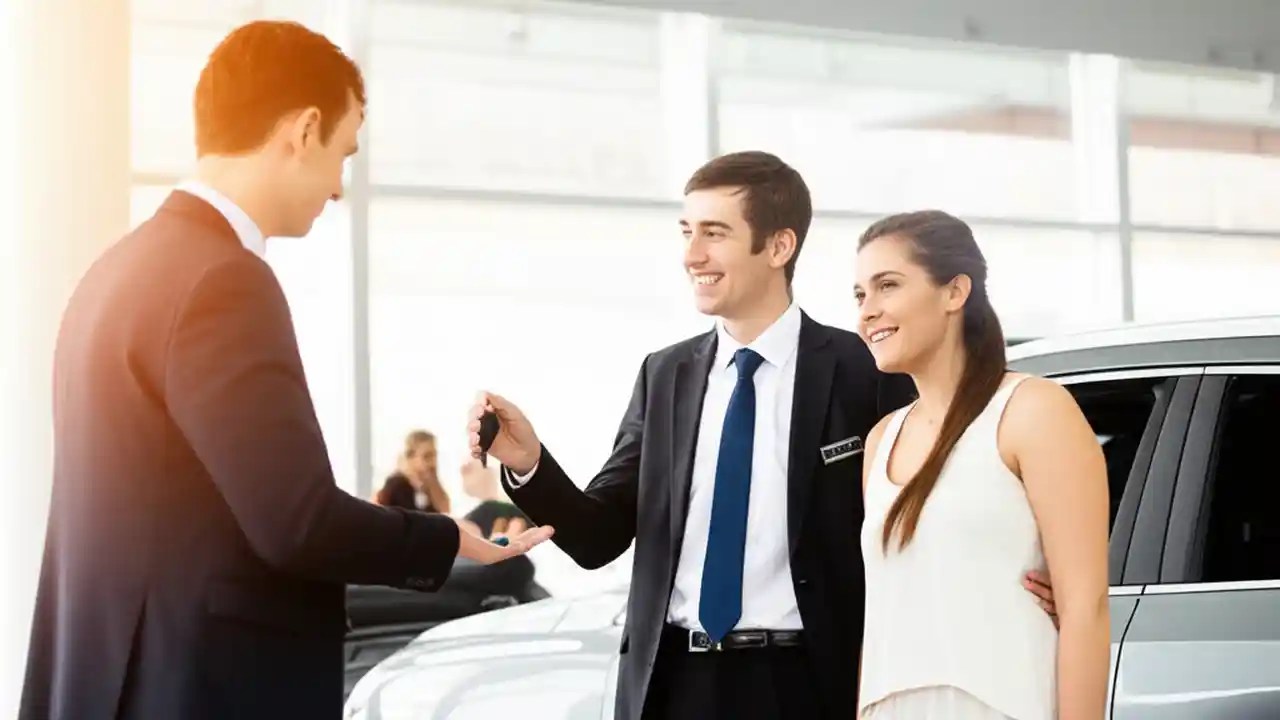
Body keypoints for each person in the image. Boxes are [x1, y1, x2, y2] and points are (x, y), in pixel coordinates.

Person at [19, 20, 551, 720]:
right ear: (302, 131)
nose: (337, 188)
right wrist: (454, 538)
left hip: (103, 680)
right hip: (195, 687)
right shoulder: (223, 280)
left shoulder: (117, 270)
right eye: (342, 153)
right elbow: (294, 522)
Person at [467, 151, 1056, 720]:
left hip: (807, 684)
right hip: (673, 683)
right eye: (686, 231)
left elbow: (949, 501)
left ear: (779, 246)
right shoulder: (665, 375)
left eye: (714, 233)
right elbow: (599, 536)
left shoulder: (863, 370)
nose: (692, 255)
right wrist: (530, 465)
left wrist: (1041, 569)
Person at [854, 211, 1110, 719]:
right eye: (860, 295)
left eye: (887, 286)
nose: (867, 312)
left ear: (954, 293)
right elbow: (881, 616)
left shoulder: (1033, 409)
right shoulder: (881, 440)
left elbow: (1087, 608)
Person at [375, 429, 452, 513]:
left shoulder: (434, 488)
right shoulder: (395, 486)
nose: (432, 462)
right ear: (410, 457)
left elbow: (446, 516)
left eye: (434, 455)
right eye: (428, 456)